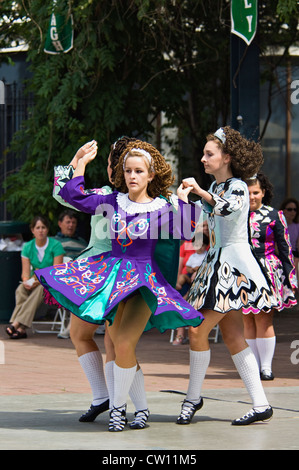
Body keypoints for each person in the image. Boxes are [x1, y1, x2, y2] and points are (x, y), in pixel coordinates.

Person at [37, 139, 202, 432]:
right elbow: (73, 196)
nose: (132, 176)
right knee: (119, 347)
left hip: (142, 284)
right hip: (111, 279)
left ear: (151, 175)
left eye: (139, 171)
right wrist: (81, 164)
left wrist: (183, 199)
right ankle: (140, 409)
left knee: (123, 344)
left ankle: (117, 408)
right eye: (128, 170)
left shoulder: (163, 206)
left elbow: (189, 229)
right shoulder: (112, 201)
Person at [176, 126, 278, 426]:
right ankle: (261, 404)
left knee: (196, 331)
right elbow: (195, 217)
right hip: (217, 264)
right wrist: (182, 198)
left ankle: (193, 397)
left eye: (209, 154)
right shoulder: (217, 188)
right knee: (233, 335)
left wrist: (197, 191)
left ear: (227, 157)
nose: (203, 158)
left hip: (232, 266)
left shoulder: (237, 187)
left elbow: (224, 209)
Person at [53, 136, 156, 428]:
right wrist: (77, 162)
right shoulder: (107, 195)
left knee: (116, 344)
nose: (113, 167)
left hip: (113, 274)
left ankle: (124, 405)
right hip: (100, 274)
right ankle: (107, 399)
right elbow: (64, 194)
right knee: (91, 337)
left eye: (116, 162)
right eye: (116, 163)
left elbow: (64, 195)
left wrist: (78, 163)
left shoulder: (120, 198)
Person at [243, 173, 297, 380]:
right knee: (247, 321)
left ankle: (266, 368)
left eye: (255, 192)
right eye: (247, 193)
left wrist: (290, 279)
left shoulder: (276, 215)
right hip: (243, 274)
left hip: (268, 272)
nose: (251, 197)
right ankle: (253, 367)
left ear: (263, 193)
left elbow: (285, 249)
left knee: (264, 320)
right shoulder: (235, 215)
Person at [5, 215, 65, 339]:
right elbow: (25, 273)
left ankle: (15, 323)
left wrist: (40, 276)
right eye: (37, 228)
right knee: (21, 289)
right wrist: (27, 282)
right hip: (36, 280)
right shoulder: (27, 247)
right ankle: (21, 329)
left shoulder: (56, 245)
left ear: (47, 229)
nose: (41, 230)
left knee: (42, 288)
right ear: (32, 230)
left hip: (51, 284)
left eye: (43, 227)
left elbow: (55, 272)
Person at [279, 197, 299, 287]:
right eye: (290, 209)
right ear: (283, 210)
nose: (293, 212)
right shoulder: (278, 226)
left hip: (295, 257)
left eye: (295, 210)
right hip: (281, 256)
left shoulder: (298, 227)